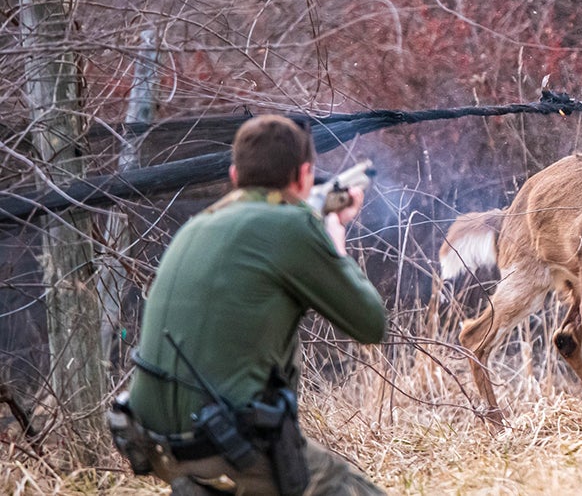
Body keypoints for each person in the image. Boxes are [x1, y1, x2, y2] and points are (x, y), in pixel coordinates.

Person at [113, 114, 388, 495]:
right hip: (225, 443)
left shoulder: (197, 225)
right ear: (304, 175)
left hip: (151, 440)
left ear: (234, 175)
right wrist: (334, 237)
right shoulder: (292, 226)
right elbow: (371, 324)